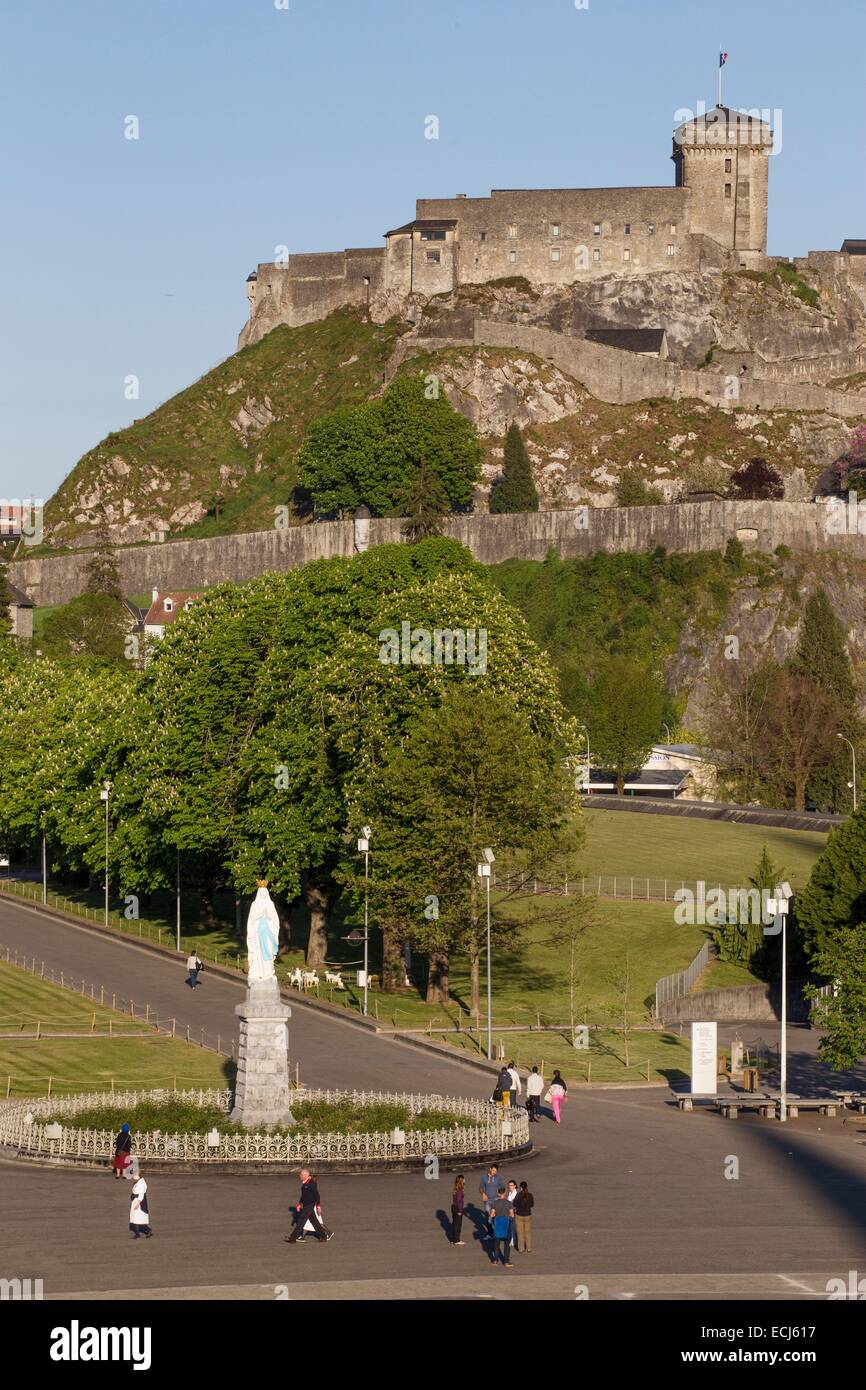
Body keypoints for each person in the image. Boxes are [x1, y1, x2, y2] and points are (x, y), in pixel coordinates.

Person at [285, 1168, 333, 1243]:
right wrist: (299, 1204)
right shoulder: (304, 1184)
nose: (299, 1175)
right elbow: (303, 1196)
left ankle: (293, 1238)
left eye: (301, 1174)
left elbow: (317, 1196)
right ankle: (323, 1236)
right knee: (315, 1222)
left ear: (305, 1175)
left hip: (310, 1205)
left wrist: (318, 1206)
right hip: (306, 1205)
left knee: (301, 1222)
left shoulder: (311, 1184)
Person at [491, 1187, 513, 1267]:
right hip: (506, 1225)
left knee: (496, 1244)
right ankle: (506, 1261)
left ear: (498, 1193)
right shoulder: (509, 1203)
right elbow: (512, 1215)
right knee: (506, 1244)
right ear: (505, 1193)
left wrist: (494, 1221)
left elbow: (492, 1214)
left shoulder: (495, 1203)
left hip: (497, 1225)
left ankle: (495, 1260)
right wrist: (509, 1219)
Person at [129, 1173, 152, 1239]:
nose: (133, 1176)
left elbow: (141, 1195)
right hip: (135, 1200)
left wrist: (137, 1204)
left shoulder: (142, 1184)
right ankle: (137, 1233)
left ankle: (148, 1230)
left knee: (138, 1218)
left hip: (139, 1202)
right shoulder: (138, 1182)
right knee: (134, 1217)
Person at [479, 1163, 500, 1236]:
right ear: (490, 1169)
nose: (494, 1172)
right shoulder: (484, 1177)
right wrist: (483, 1194)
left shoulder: (498, 1178)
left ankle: (498, 1233)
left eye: (496, 1171)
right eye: (493, 1170)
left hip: (496, 1200)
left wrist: (500, 1194)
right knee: (489, 1218)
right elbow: (480, 1188)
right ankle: (490, 1234)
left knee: (497, 1217)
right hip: (487, 1201)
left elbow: (503, 1187)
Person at [514, 1181, 534, 1253]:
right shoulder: (530, 1195)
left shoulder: (518, 1195)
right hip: (528, 1215)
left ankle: (521, 1248)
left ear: (520, 1187)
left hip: (519, 1215)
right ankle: (529, 1248)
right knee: (528, 1232)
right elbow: (532, 1204)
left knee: (520, 1233)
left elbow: (514, 1204)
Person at [450, 1175, 465, 1246]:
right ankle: (457, 1240)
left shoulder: (455, 1188)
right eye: (464, 1179)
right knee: (458, 1224)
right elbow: (459, 1201)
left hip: (453, 1206)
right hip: (457, 1208)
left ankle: (453, 1239)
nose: (465, 1180)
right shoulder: (459, 1189)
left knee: (454, 1224)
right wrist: (460, 1210)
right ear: (461, 1181)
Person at [506, 1179, 519, 1248]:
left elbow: (514, 1204)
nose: (509, 1187)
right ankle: (511, 1239)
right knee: (510, 1227)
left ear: (515, 1186)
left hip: (514, 1212)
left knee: (513, 1227)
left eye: (511, 1185)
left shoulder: (516, 1194)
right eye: (509, 1185)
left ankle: (513, 1240)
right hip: (509, 1212)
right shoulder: (510, 1193)